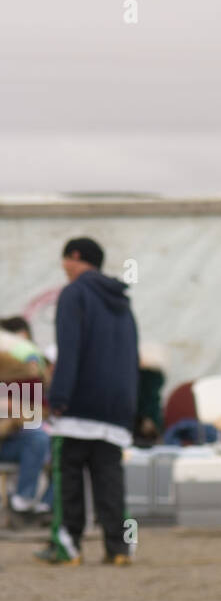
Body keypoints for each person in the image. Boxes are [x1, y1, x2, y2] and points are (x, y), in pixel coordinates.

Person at [36, 236, 139, 565]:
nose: (63, 268)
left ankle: (67, 546)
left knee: (68, 477)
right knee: (110, 479)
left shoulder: (74, 293)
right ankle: (120, 548)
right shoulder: (123, 301)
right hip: (116, 408)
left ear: (75, 257)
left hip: (80, 405)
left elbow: (70, 350)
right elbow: (130, 357)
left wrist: (59, 397)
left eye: (64, 260)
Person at [0, 324, 52, 515]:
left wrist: (16, 415)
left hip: (15, 441)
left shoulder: (25, 380)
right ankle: (23, 501)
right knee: (38, 437)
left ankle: (40, 507)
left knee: (62, 448)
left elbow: (37, 414)